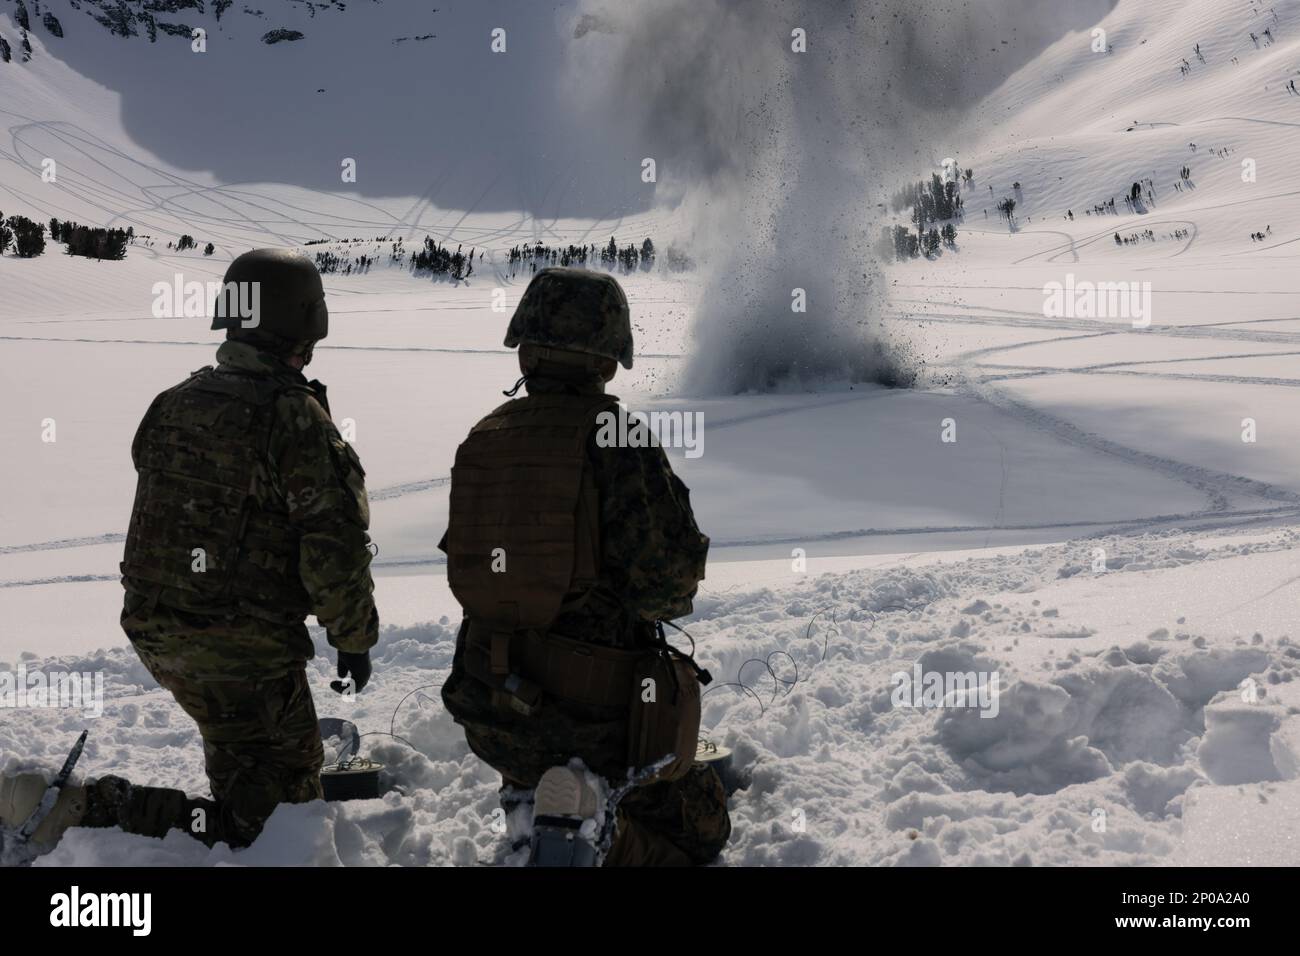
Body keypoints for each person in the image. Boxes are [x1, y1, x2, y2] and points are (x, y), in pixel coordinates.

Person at [0, 249, 378, 854]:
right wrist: (353, 638)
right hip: (236, 651)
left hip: (159, 630)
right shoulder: (293, 415)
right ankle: (82, 810)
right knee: (274, 826)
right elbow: (333, 547)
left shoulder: (175, 399)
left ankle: (247, 766)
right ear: (304, 327)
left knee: (243, 741)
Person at [439, 267, 731, 866]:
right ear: (607, 358)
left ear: (525, 350)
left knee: (541, 762)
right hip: (597, 722)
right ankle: (596, 833)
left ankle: (534, 799)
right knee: (705, 830)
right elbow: (666, 587)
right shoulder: (617, 438)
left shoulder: (484, 436)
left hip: (491, 708)